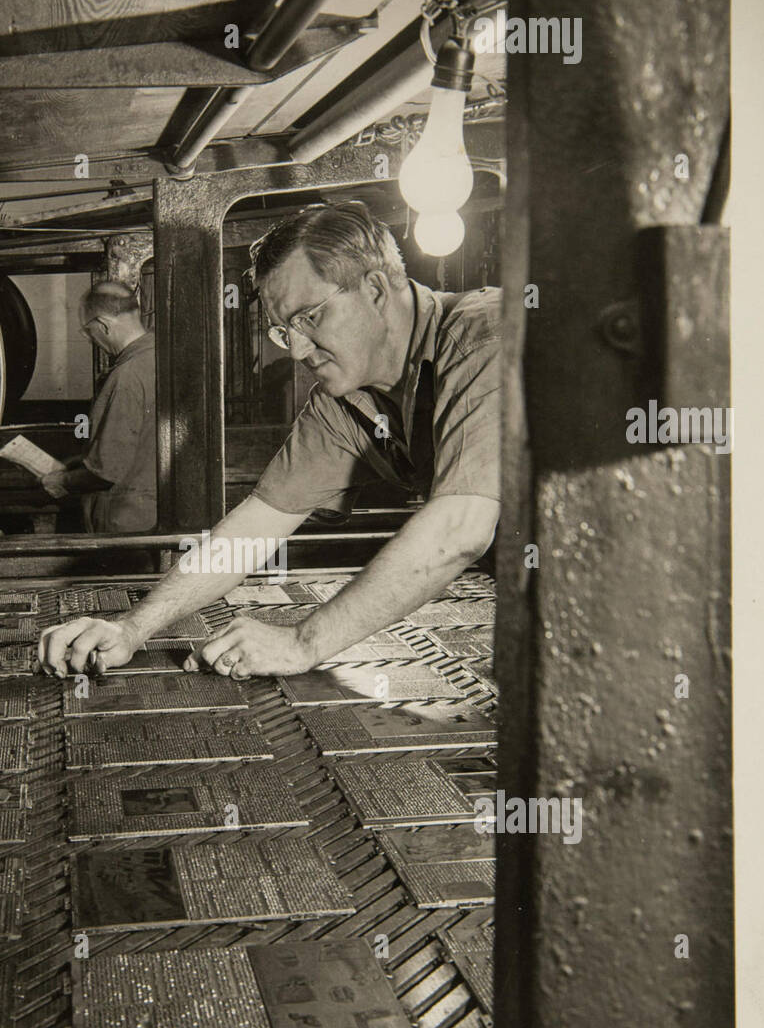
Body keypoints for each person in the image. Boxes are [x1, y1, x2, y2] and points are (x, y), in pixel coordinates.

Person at [38, 201, 500, 680]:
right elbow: (254, 528)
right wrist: (133, 628)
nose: (297, 350)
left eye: (308, 319)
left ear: (376, 289)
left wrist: (302, 643)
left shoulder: (483, 336)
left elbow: (460, 529)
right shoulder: (344, 402)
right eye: (284, 332)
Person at [40, 281, 157, 532]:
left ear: (104, 325)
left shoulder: (125, 377)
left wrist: (63, 480)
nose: (91, 339)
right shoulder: (161, 357)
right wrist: (84, 461)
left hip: (125, 524)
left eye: (88, 332)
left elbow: (106, 472)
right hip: (151, 517)